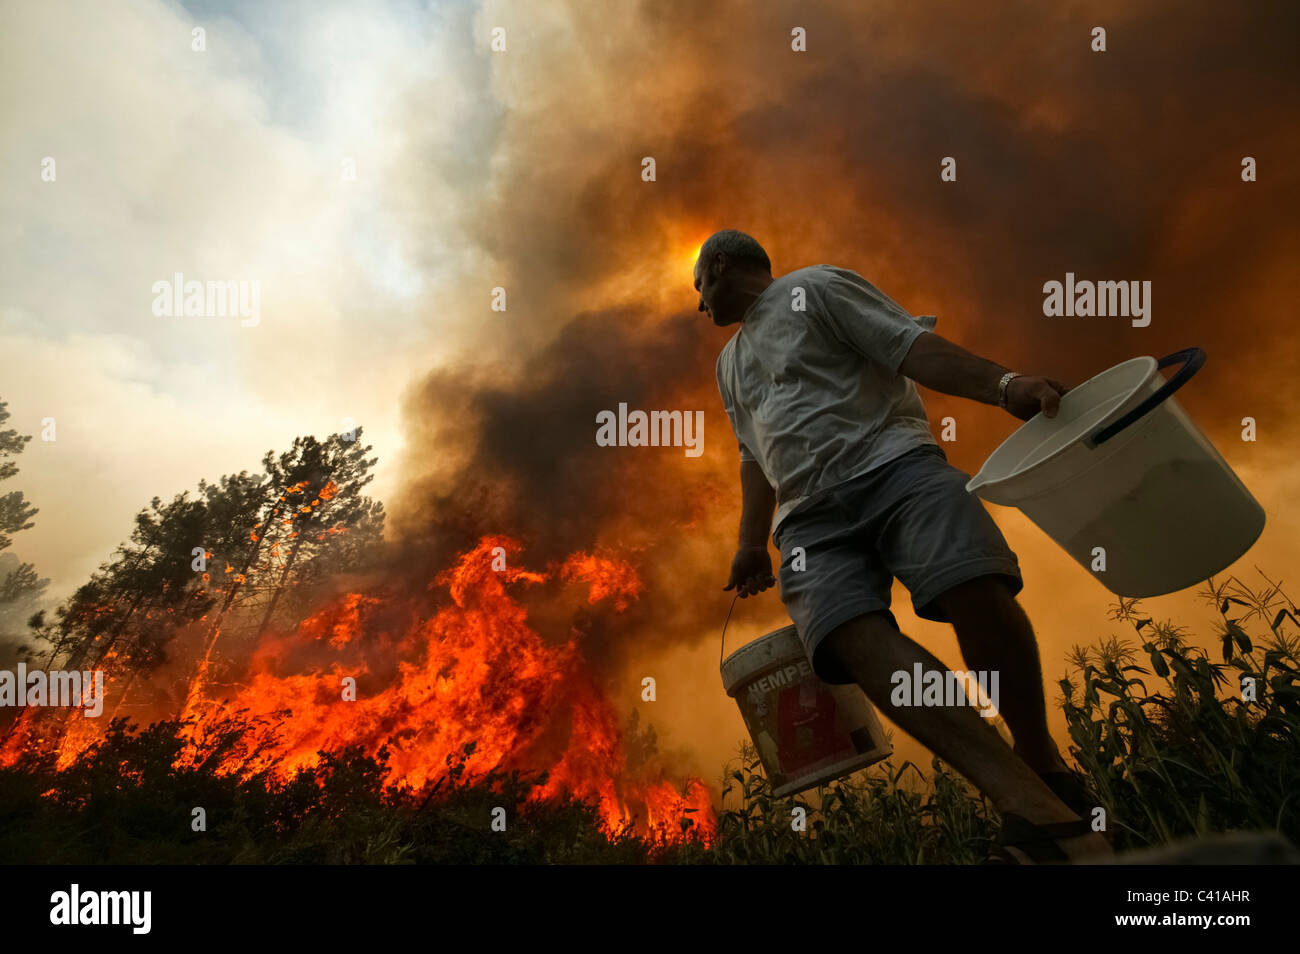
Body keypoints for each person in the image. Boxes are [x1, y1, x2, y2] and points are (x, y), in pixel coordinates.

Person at [696, 228, 1111, 863]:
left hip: (895, 466)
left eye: (700, 286)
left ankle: (1043, 769)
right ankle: (1037, 813)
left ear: (721, 264)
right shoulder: (728, 364)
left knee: (973, 583)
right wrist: (751, 542)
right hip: (807, 520)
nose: (700, 305)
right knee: (844, 635)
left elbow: (911, 349)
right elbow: (753, 457)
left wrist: (1006, 387)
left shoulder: (813, 287)